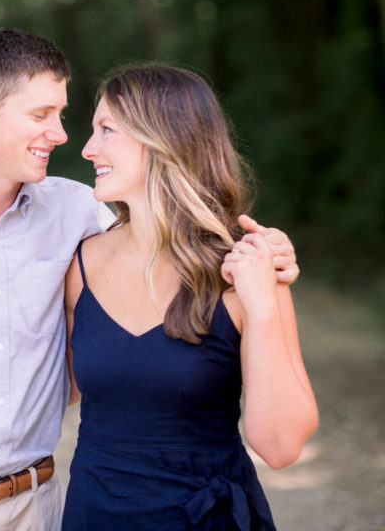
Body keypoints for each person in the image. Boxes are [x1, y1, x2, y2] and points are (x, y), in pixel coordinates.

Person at [0, 29, 299, 531]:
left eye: (63, 115)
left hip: (39, 505)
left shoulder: (79, 213)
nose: (64, 135)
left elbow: (166, 242)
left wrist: (270, 258)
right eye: (40, 115)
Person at [61, 63, 318, 530]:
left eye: (106, 130)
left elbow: (280, 447)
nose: (87, 147)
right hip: (95, 514)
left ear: (165, 139)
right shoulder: (81, 265)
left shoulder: (248, 272)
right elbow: (56, 388)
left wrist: (262, 308)